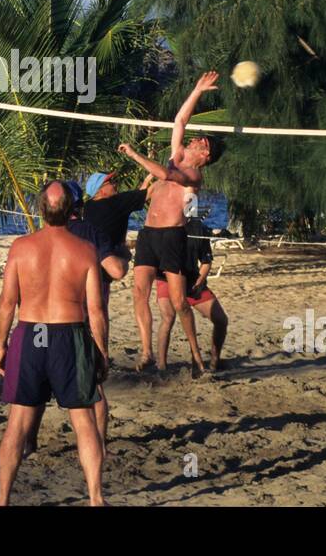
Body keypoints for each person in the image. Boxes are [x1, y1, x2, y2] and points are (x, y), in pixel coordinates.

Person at [0, 181, 108, 506]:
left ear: (40, 209)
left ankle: (2, 499)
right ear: (72, 209)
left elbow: (7, 303)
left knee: (18, 421)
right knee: (83, 420)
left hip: (31, 334)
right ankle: (95, 498)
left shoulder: (21, 247)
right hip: (69, 335)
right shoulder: (85, 250)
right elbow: (96, 310)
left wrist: (1, 344)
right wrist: (101, 351)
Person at [117, 70, 225, 376]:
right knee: (139, 291)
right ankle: (147, 351)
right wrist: (198, 90)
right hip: (149, 233)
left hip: (171, 237)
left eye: (198, 141)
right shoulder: (177, 156)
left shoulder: (194, 175)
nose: (191, 140)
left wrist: (135, 155)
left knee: (179, 303)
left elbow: (164, 176)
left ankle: (196, 354)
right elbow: (179, 120)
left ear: (204, 152)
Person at [154, 213, 228, 372]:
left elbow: (206, 261)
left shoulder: (199, 229)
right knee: (168, 317)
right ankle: (161, 365)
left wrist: (200, 281)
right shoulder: (163, 224)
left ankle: (215, 360)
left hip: (191, 280)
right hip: (166, 278)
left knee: (221, 320)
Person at [82, 171, 147, 282]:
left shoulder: (88, 206)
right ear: (101, 191)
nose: (115, 184)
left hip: (90, 262)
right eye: (110, 182)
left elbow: (139, 195)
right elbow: (147, 193)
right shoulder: (115, 203)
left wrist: (147, 179)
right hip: (107, 261)